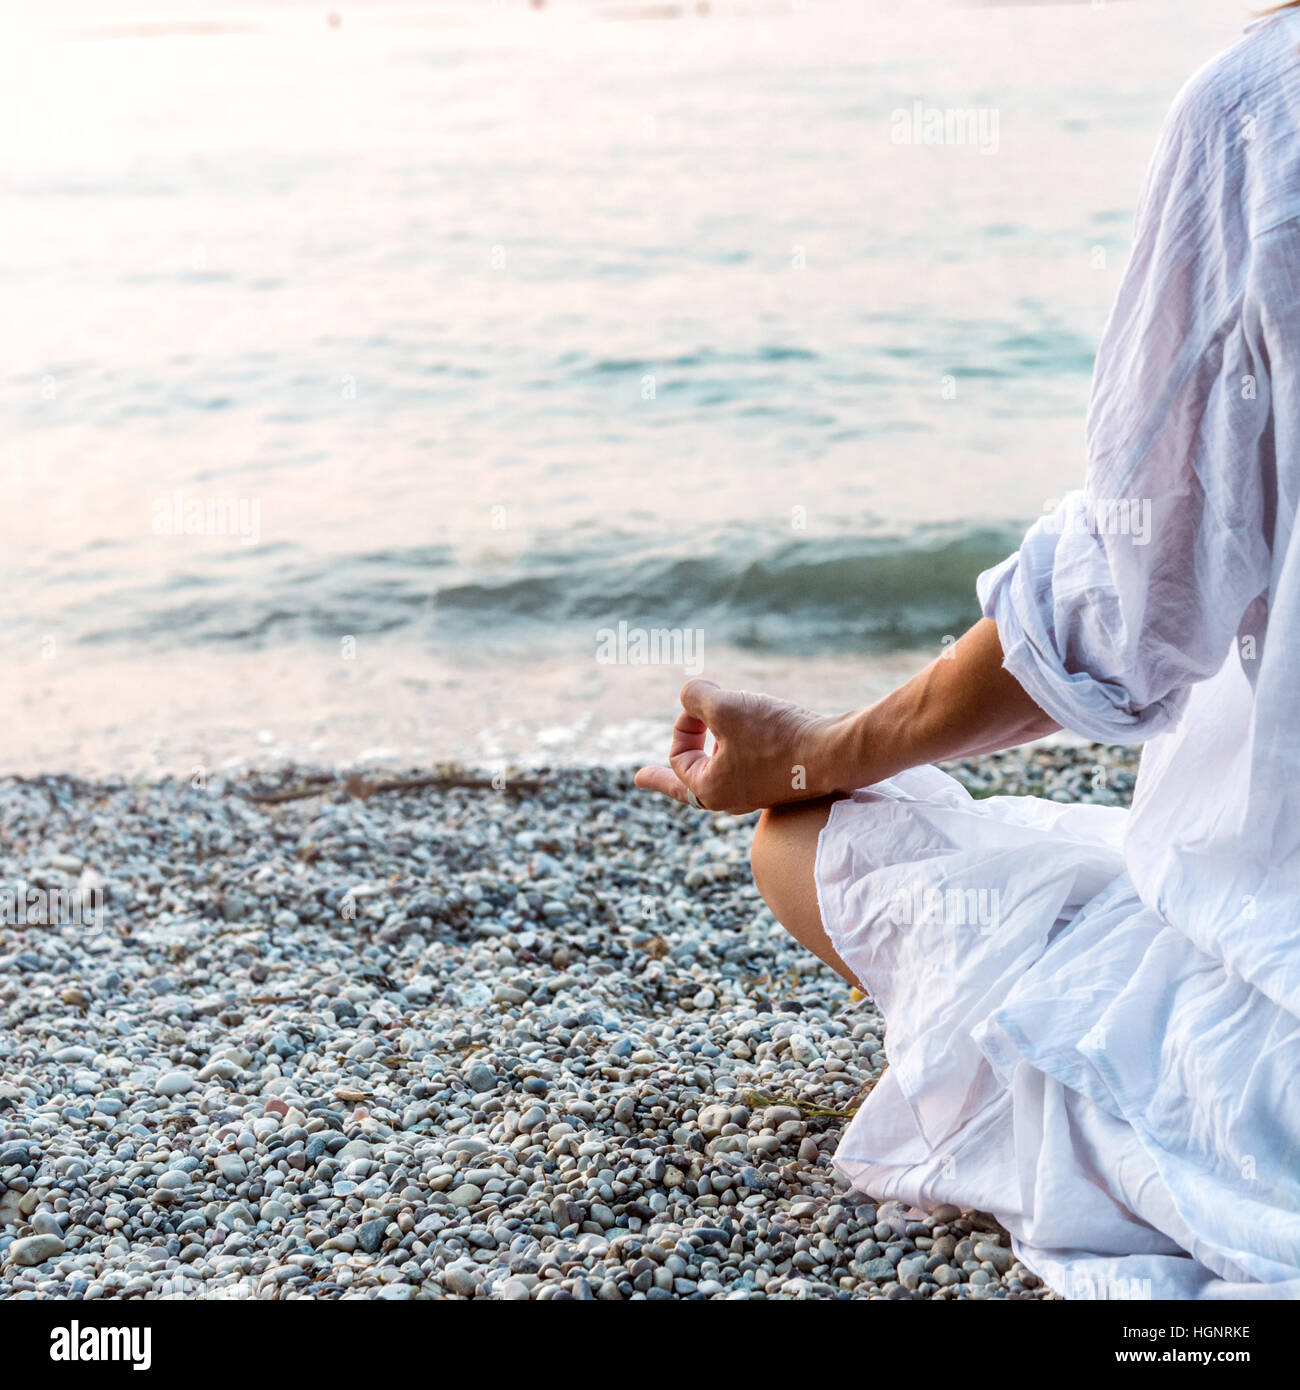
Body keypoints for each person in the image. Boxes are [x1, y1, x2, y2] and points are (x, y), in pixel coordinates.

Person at [636, 5, 1300, 1299]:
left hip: (1277, 1075)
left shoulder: (1266, 112)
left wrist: (816, 748)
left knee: (807, 843)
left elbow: (1125, 613)